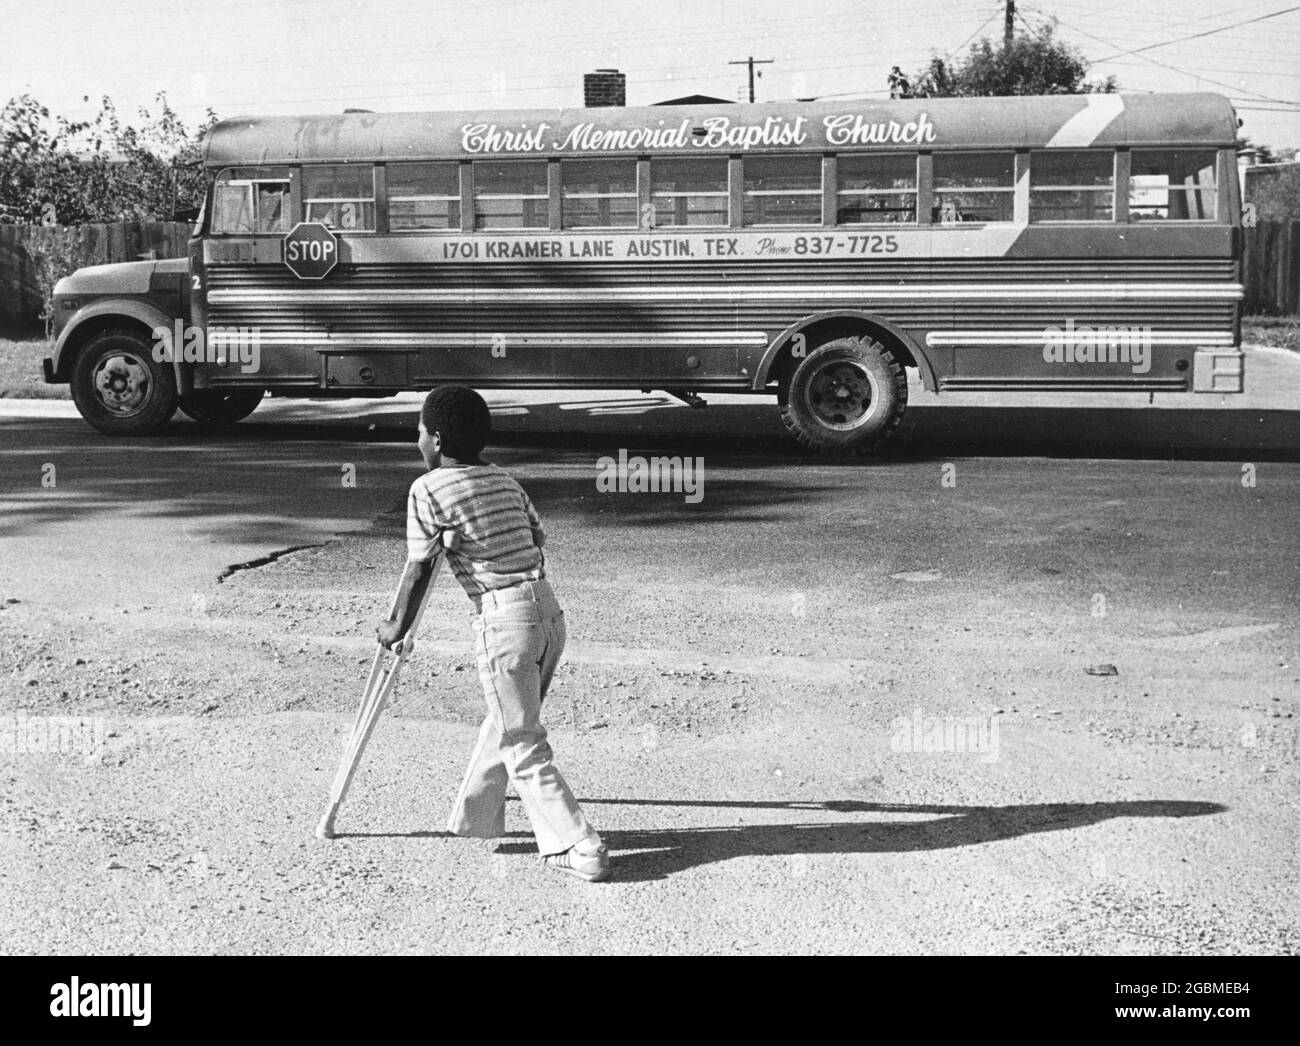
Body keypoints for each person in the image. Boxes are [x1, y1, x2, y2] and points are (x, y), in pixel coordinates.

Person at [377, 385, 610, 882]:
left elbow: (418, 568)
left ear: (436, 440)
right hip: (548, 612)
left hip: (503, 619)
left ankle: (580, 845)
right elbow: (538, 536)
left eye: (419, 432)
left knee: (521, 739)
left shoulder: (429, 488)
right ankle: (475, 815)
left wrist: (395, 627)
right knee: (508, 718)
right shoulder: (504, 478)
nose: (417, 440)